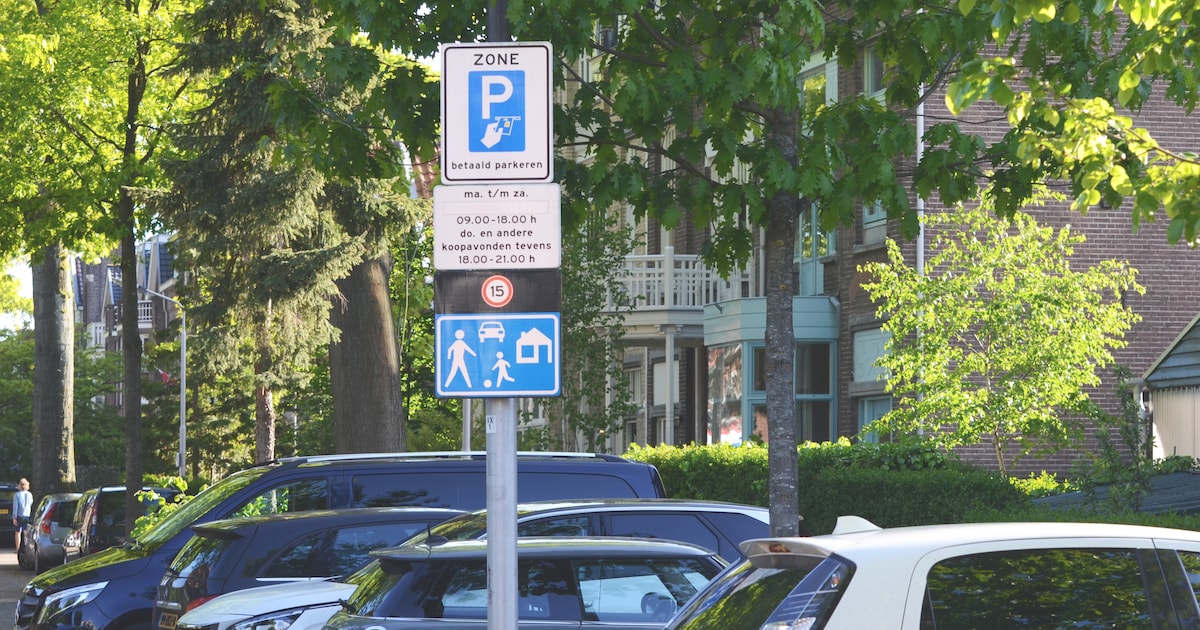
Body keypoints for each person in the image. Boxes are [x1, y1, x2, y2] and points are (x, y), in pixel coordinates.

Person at [12, 477, 32, 551]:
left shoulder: (17, 495)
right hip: (27, 516)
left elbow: (15, 507)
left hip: (19, 516)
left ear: (19, 485)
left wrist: (14, 517)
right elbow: (30, 504)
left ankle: (18, 549)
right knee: (26, 533)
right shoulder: (30, 494)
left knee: (18, 533)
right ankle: (26, 549)